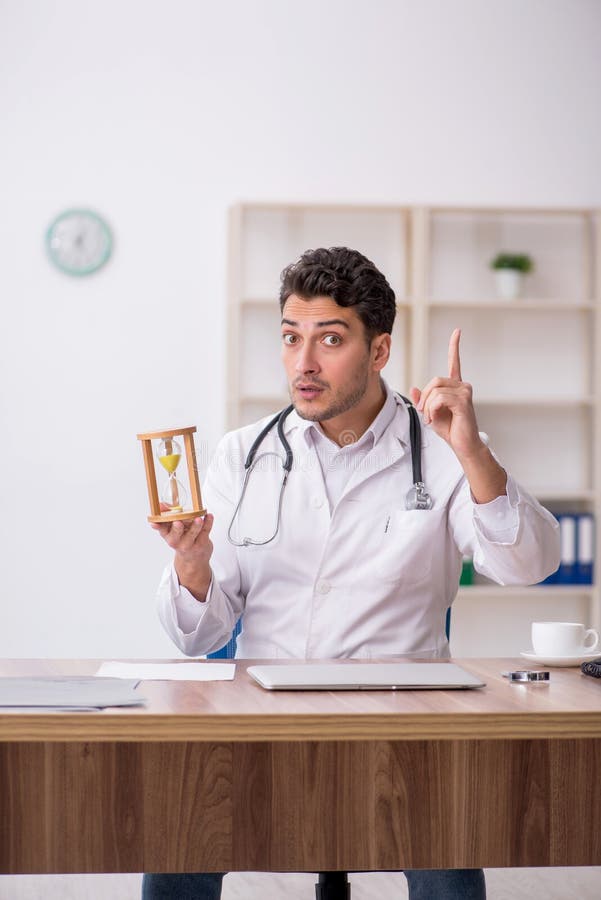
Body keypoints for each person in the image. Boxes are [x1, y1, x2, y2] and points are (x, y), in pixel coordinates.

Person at [143, 246, 560, 900]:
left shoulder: (445, 449)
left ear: (378, 351)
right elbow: (198, 636)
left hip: (405, 719)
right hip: (263, 716)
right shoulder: (242, 455)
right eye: (290, 338)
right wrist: (192, 564)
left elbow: (528, 565)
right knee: (175, 837)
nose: (302, 363)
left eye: (329, 340)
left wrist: (472, 450)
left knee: (447, 857)